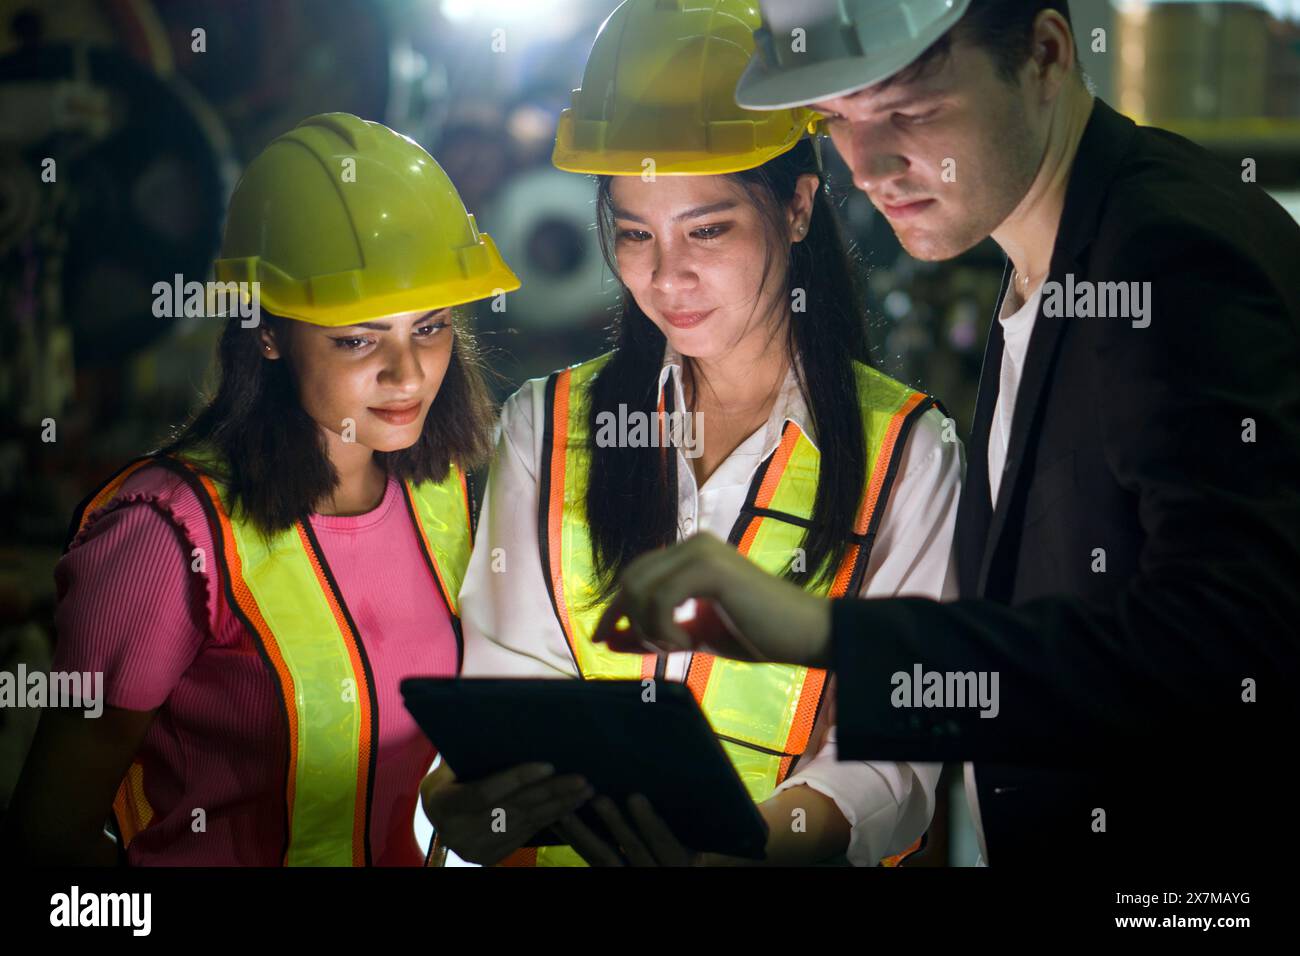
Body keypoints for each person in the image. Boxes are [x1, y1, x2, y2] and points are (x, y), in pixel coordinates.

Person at [593, 0, 1300, 867]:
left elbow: (1233, 650)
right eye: (841, 119)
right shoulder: (1051, 254)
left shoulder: (1168, 256)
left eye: (912, 111)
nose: (870, 165)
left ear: (1044, 54)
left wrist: (823, 636)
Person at [420, 0, 963, 867]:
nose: (667, 276)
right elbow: (507, 682)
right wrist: (470, 804)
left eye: (708, 229)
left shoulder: (908, 455)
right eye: (634, 234)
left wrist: (752, 855)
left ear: (797, 207)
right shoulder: (545, 425)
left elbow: (893, 755)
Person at [3, 113, 520, 865]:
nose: (408, 375)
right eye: (357, 338)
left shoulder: (440, 492)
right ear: (267, 333)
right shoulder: (164, 536)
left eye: (432, 327)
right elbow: (46, 843)